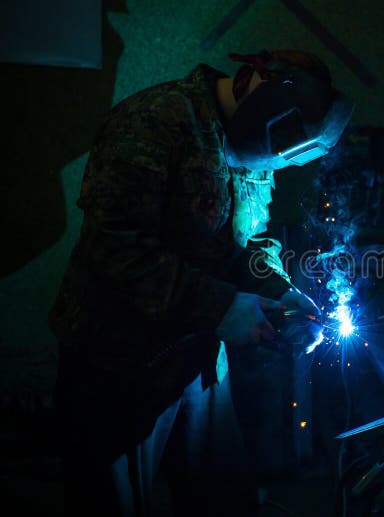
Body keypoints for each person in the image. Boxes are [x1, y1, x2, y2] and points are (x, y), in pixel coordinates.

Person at [49, 49, 353, 516]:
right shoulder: (155, 121)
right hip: (117, 367)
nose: (276, 158)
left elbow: (250, 244)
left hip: (201, 366)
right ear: (257, 82)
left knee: (225, 501)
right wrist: (221, 307)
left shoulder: (255, 150)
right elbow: (113, 248)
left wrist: (280, 291)